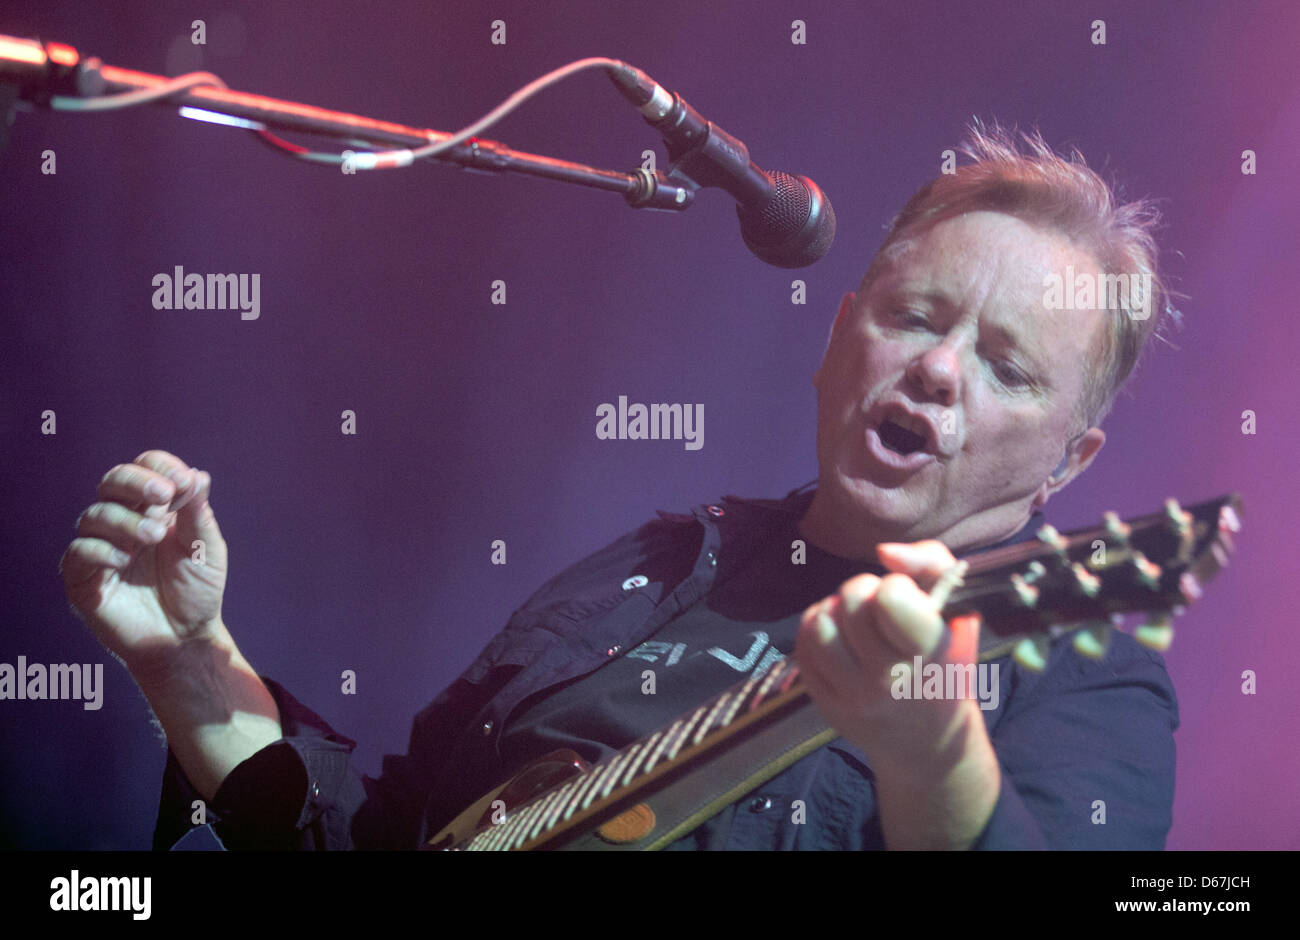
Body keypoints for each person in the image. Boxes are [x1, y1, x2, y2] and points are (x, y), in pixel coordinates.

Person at [61, 122, 1179, 850]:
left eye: (1005, 366)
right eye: (916, 317)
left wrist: (931, 755)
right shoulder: (659, 562)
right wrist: (187, 659)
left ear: (1065, 463)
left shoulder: (1080, 674)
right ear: (840, 338)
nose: (938, 369)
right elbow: (375, 838)